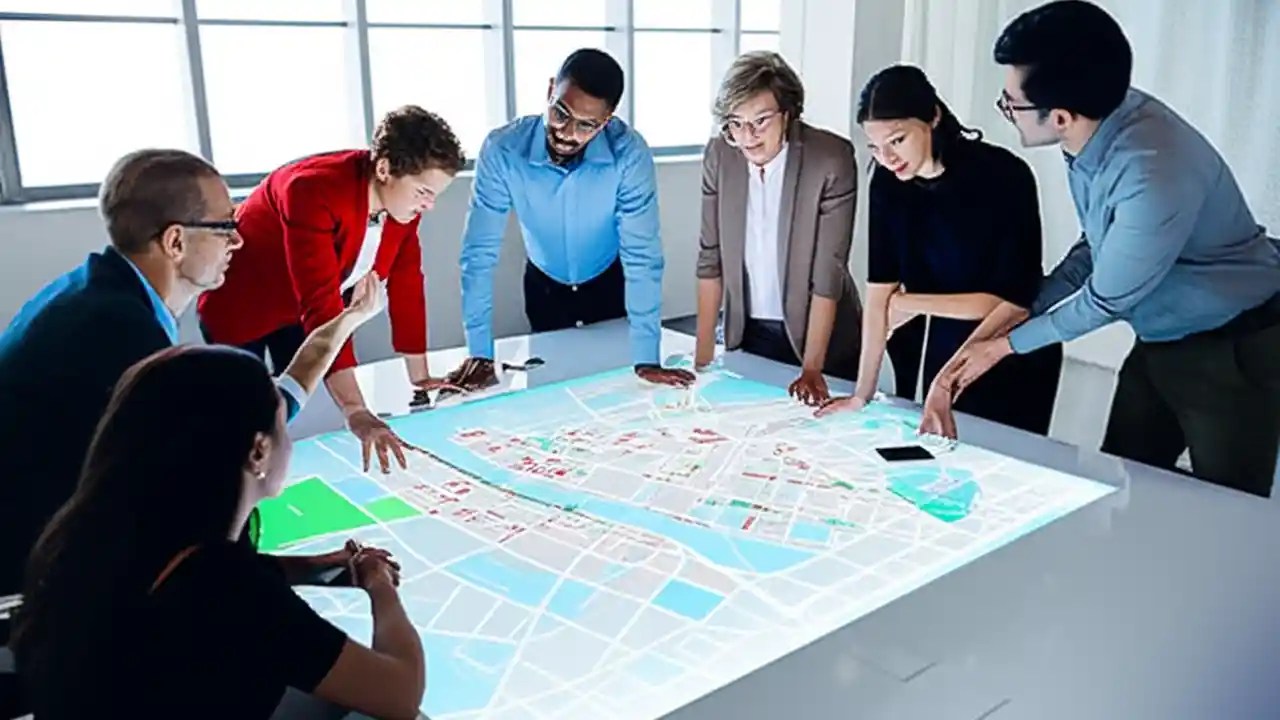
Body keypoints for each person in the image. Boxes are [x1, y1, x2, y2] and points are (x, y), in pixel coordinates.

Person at [0, 149, 391, 608]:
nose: (238, 242)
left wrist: (346, 321)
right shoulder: (118, 335)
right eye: (227, 226)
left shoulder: (99, 293)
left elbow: (266, 405)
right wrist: (298, 576)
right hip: (40, 590)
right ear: (175, 242)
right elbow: (188, 526)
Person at [934, 0, 1280, 495]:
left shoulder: (1151, 173)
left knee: (1227, 506)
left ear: (1059, 117)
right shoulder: (1098, 118)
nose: (1006, 110)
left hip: (1232, 345)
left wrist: (1005, 346)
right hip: (1160, 335)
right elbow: (1097, 244)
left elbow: (1106, 299)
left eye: (1011, 103)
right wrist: (1023, 309)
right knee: (1127, 483)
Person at [11, 345, 425, 719]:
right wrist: (378, 584)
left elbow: (201, 584)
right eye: (284, 427)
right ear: (258, 451)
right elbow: (400, 692)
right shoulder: (231, 592)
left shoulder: (99, 535)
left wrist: (315, 568)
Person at [198, 105, 467, 473]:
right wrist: (357, 409)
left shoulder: (403, 209)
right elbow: (322, 305)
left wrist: (418, 374)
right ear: (385, 169)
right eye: (423, 191)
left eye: (435, 194)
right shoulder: (312, 189)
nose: (429, 205)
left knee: (300, 417)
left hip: (299, 314)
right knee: (244, 425)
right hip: (243, 306)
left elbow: (407, 282)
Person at [817, 64, 1063, 434]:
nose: (887, 158)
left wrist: (910, 304)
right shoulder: (886, 181)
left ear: (933, 116)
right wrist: (860, 395)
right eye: (875, 147)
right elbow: (879, 294)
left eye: (897, 141)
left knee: (997, 463)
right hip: (934, 340)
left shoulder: (1004, 176)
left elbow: (1012, 302)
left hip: (1008, 346)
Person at [451, 48, 695, 390]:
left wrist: (647, 357)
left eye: (586, 125)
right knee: (552, 390)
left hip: (610, 281)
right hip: (544, 284)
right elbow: (479, 253)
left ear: (607, 120)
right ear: (551, 90)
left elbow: (643, 257)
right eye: (561, 113)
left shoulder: (629, 154)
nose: (567, 132)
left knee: (614, 392)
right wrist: (479, 352)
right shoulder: (503, 150)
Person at [695, 51, 863, 406]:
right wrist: (703, 358)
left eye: (760, 121)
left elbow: (827, 274)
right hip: (749, 330)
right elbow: (710, 261)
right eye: (735, 123)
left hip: (823, 338)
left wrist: (812, 367)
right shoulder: (720, 155)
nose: (747, 137)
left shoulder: (830, 159)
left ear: (788, 113)